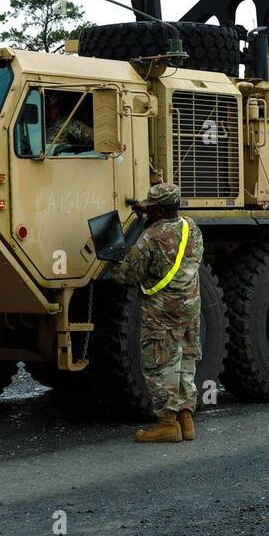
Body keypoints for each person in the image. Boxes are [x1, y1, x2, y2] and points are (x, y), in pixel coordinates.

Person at [110, 182, 204, 443]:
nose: (148, 211)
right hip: (190, 308)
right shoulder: (191, 227)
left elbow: (126, 274)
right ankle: (186, 420)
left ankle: (167, 424)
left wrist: (113, 257)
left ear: (160, 211)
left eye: (152, 208)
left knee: (161, 365)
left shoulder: (150, 238)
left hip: (161, 313)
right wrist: (148, 212)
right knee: (185, 362)